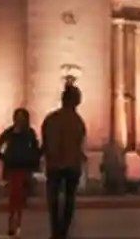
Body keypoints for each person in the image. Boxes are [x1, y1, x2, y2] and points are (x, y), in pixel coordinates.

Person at [41, 80, 87, 239]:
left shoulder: (52, 119)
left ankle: (55, 230)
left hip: (55, 165)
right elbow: (79, 142)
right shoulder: (78, 121)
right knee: (69, 199)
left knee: (53, 200)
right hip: (71, 166)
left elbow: (47, 142)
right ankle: (63, 231)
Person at [0, 108, 41, 237]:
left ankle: (16, 222)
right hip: (13, 166)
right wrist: (3, 156)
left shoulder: (27, 133)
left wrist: (33, 162)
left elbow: (35, 149)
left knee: (18, 196)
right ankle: (13, 222)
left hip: (23, 167)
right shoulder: (11, 132)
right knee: (14, 196)